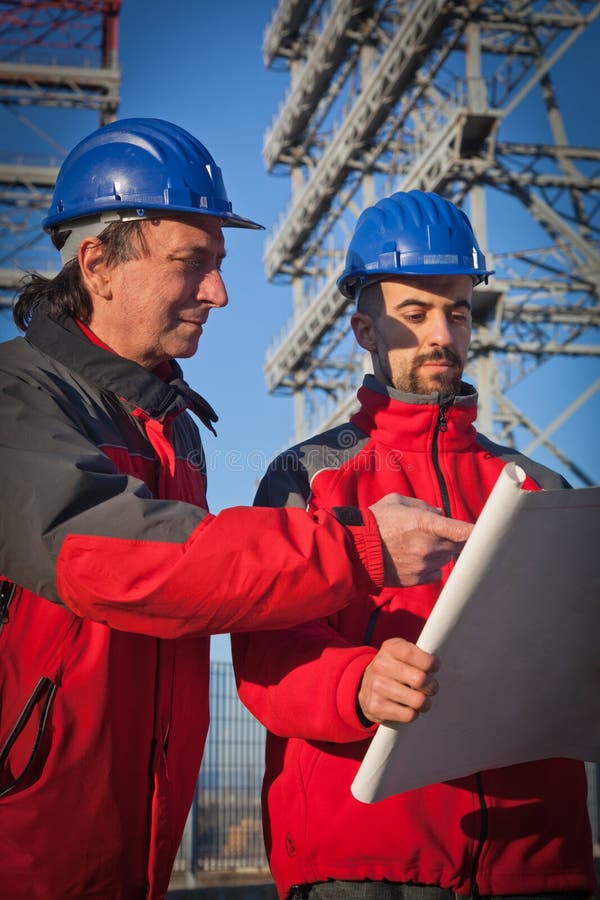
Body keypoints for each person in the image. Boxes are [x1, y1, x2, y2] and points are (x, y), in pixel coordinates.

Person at [0, 123, 475, 900]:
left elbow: (212, 585)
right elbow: (129, 560)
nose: (219, 293)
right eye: (194, 263)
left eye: (218, 266)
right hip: (26, 847)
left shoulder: (170, 424)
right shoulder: (16, 399)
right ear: (98, 264)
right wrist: (356, 552)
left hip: (132, 843)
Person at [232, 190, 596, 900]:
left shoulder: (535, 485)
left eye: (456, 312)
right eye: (415, 313)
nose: (441, 334)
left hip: (537, 859)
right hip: (372, 864)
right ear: (364, 330)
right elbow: (265, 655)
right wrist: (356, 683)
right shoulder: (306, 477)